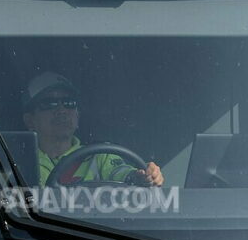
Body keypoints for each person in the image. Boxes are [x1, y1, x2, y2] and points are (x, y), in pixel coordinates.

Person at [18, 71, 163, 187]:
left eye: (69, 103)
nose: (62, 110)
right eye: (50, 103)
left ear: (77, 115)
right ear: (29, 120)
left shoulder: (100, 156)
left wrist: (144, 176)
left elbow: (123, 173)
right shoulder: (16, 163)